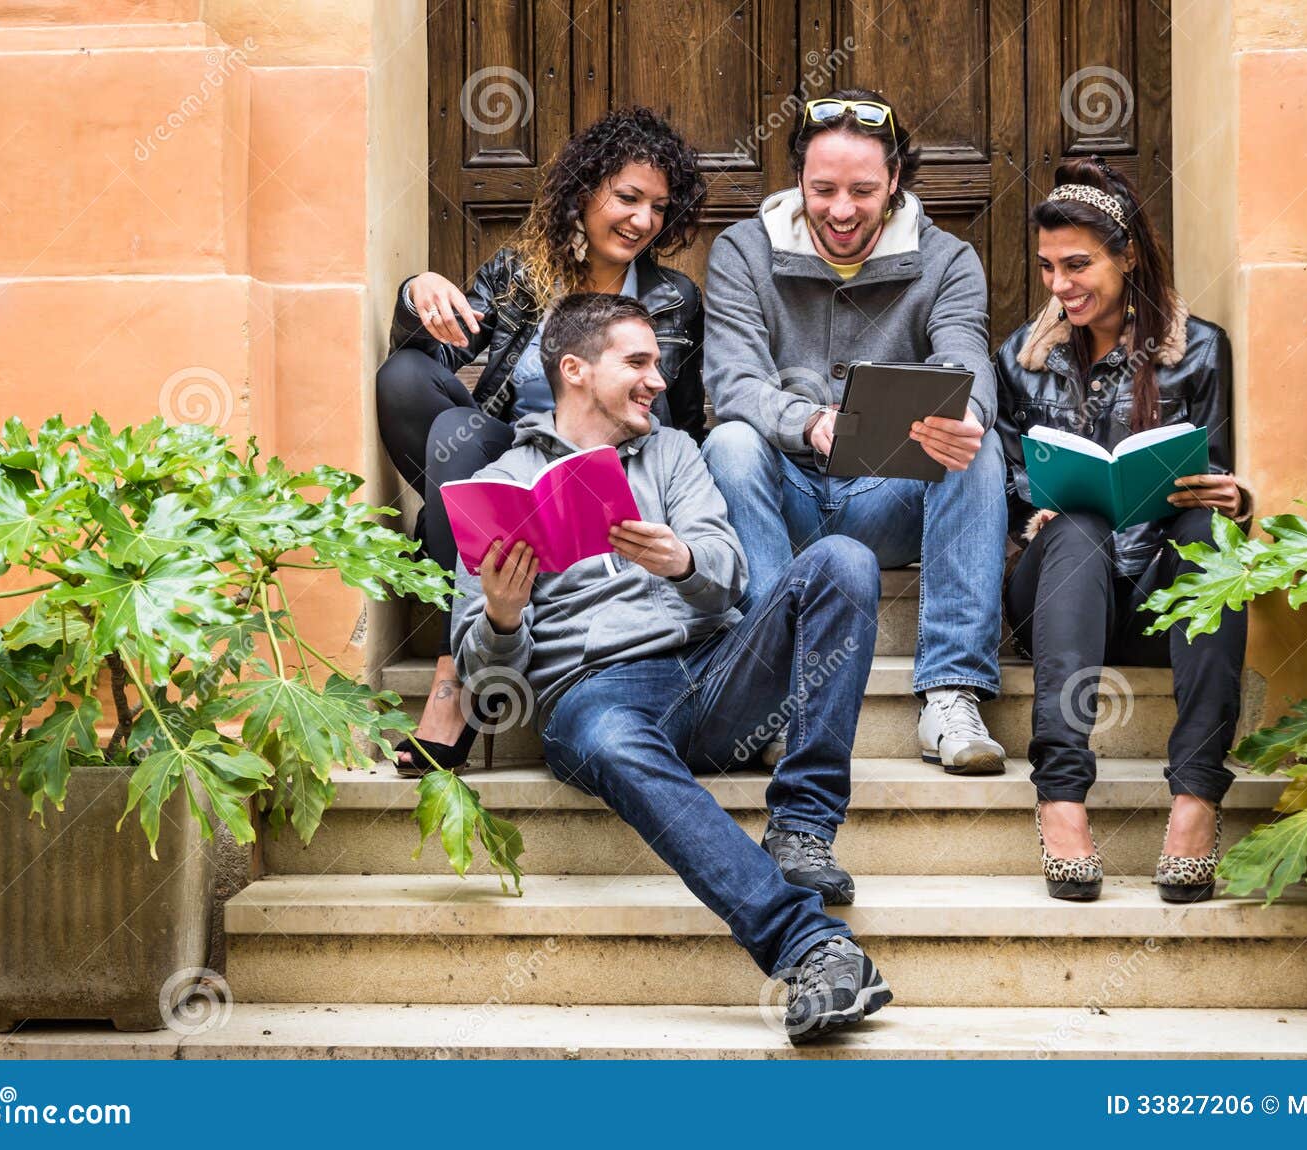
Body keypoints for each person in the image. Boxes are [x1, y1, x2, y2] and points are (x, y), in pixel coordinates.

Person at [452, 292, 892, 1042]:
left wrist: (684, 561)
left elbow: (729, 573)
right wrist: (499, 614)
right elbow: (486, 683)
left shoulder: (675, 452)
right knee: (613, 739)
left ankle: (801, 826)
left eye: (658, 362)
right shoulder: (501, 484)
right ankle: (809, 944)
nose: (659, 379)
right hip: (595, 701)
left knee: (842, 561)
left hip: (710, 670)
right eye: (639, 362)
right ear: (576, 371)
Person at [376, 106, 708, 775]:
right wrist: (419, 294)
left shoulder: (673, 298)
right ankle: (460, 633)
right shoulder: (520, 272)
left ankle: (457, 683)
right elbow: (439, 356)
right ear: (585, 192)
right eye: (627, 198)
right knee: (413, 388)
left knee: (453, 465)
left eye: (658, 207)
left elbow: (687, 421)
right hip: (510, 459)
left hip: (610, 477)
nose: (643, 220)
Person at [699, 88, 1009, 776]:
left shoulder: (948, 259)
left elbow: (965, 354)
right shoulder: (742, 252)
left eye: (863, 190)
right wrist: (807, 422)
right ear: (798, 179)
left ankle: (950, 694)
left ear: (895, 180)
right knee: (730, 440)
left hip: (884, 503)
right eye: (823, 188)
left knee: (973, 447)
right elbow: (731, 380)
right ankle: (768, 690)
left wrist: (969, 415)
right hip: (778, 499)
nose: (841, 210)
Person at [993, 157, 1252, 903]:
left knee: (1210, 534)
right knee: (1076, 525)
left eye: (1078, 265)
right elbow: (1007, 482)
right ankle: (1062, 798)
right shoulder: (1021, 358)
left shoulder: (1198, 349)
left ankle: (1196, 799)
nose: (1059, 284)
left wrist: (1233, 498)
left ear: (1127, 253)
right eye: (1046, 267)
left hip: (1158, 604)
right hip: (1059, 600)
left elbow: (1219, 467)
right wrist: (1029, 510)